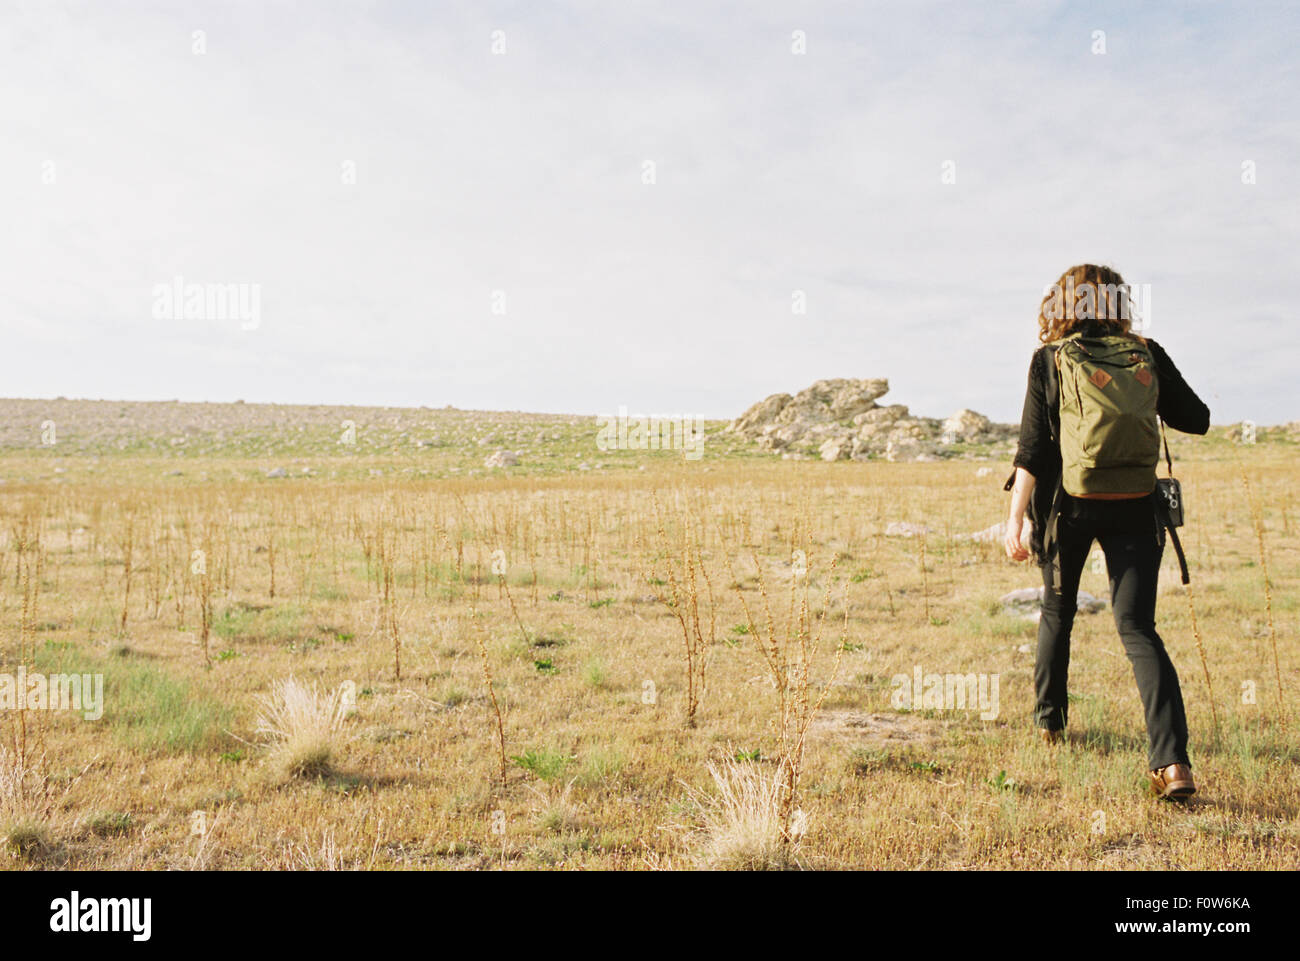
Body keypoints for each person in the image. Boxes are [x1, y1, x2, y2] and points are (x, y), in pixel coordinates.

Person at [1003, 263, 1210, 800]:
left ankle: (1050, 723)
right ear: (1119, 304)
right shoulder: (1146, 352)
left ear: (1062, 304)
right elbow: (1197, 418)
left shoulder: (1050, 359)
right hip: (1137, 506)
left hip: (1067, 506)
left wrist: (1015, 518)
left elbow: (1032, 449)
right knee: (1139, 629)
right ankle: (1172, 765)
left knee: (1058, 611)